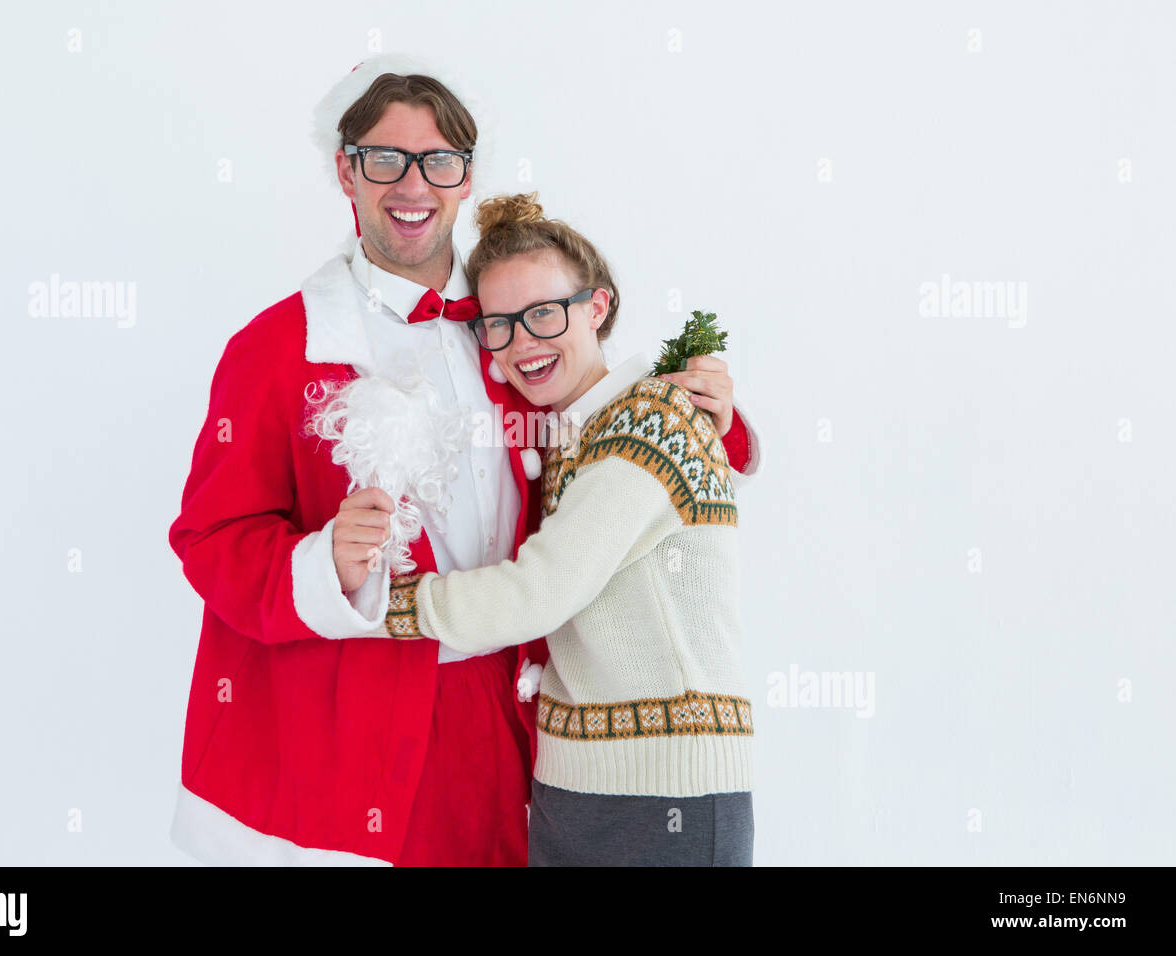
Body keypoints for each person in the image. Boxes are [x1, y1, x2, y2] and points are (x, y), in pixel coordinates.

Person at [167, 53, 758, 867]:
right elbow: (211, 541)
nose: (414, 186)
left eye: (438, 160)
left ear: (466, 177)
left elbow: (603, 423)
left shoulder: (512, 335)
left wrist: (713, 417)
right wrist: (321, 565)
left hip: (513, 731)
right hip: (346, 726)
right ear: (347, 171)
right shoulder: (275, 350)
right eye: (386, 159)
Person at [352, 193, 756, 866]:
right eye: (499, 324)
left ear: (597, 308)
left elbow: (539, 590)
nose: (522, 343)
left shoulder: (648, 419)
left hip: (667, 794)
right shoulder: (570, 439)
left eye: (543, 313)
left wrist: (382, 601)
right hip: (574, 785)